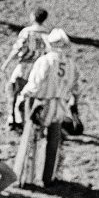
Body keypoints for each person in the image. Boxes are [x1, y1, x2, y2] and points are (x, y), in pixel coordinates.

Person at [16, 28, 81, 187]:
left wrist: (23, 96)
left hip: (41, 104)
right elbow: (76, 89)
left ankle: (26, 177)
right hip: (60, 105)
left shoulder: (45, 61)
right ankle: (48, 177)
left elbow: (35, 85)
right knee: (54, 141)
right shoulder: (71, 64)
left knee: (31, 138)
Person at [0, 7, 51, 131]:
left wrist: (6, 62)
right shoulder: (48, 33)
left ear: (33, 17)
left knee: (13, 91)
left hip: (25, 66)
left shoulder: (27, 32)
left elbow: (18, 48)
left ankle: (12, 119)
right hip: (39, 69)